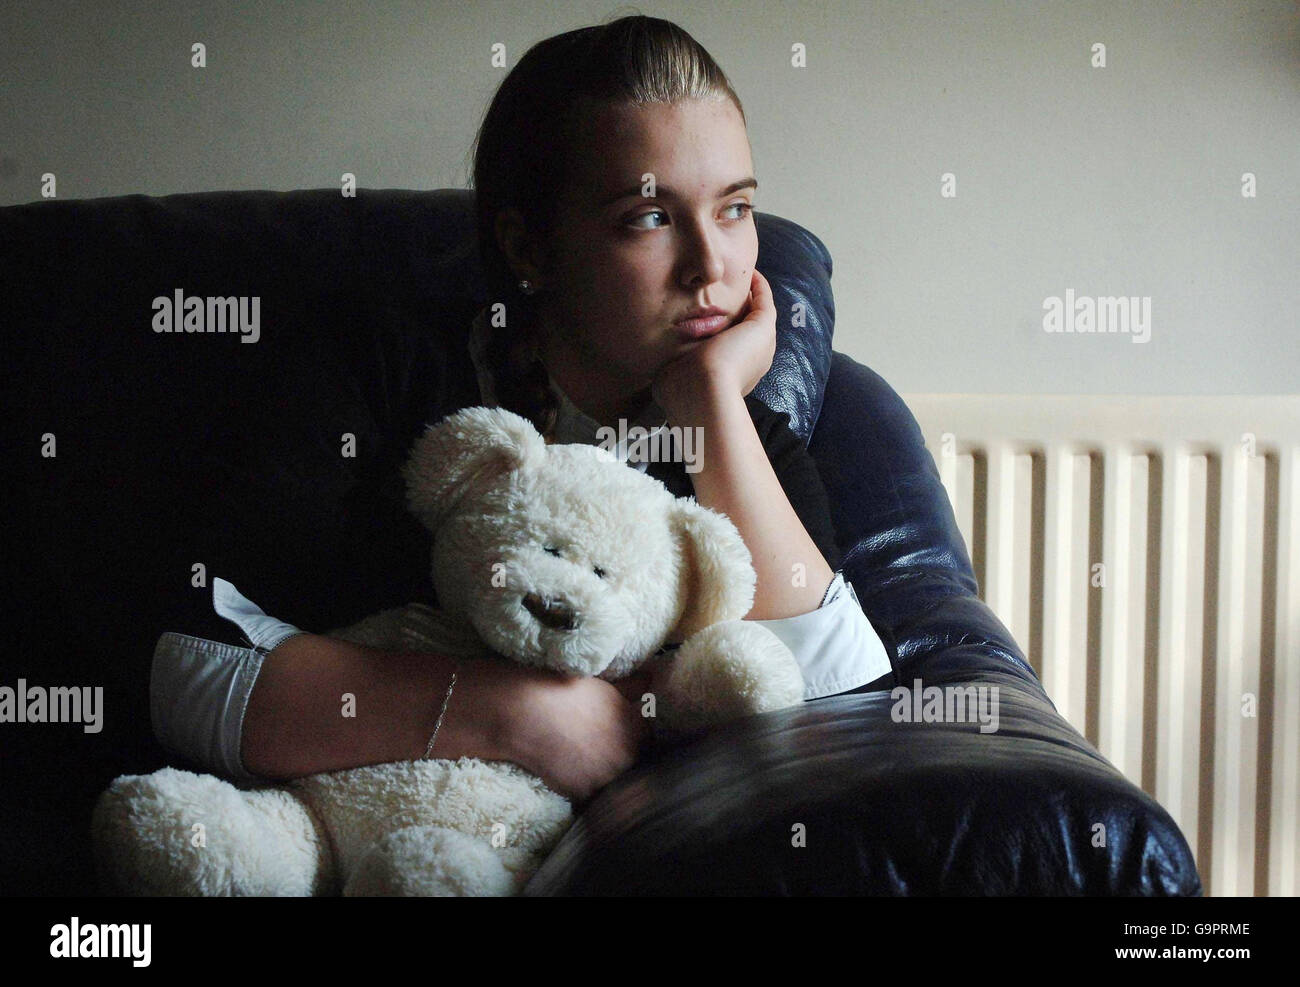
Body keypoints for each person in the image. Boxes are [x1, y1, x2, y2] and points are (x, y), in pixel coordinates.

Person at [151, 14, 894, 808]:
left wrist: (710, 401)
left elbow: (841, 710)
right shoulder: (382, 367)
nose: (710, 266)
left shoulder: (742, 437)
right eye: (650, 217)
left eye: (734, 210)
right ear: (529, 249)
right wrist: (513, 712)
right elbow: (187, 661)